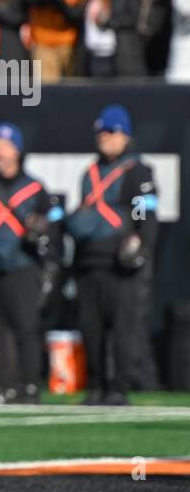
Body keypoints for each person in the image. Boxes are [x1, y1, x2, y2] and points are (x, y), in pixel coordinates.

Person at [0, 123, 62, 403]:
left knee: (26, 327)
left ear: (17, 151)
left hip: (22, 264)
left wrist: (42, 234)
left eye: (4, 145)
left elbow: (54, 221)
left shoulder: (33, 188)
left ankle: (28, 384)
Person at [64, 105, 159, 405]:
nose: (104, 137)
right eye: (100, 132)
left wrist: (141, 244)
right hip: (91, 262)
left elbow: (145, 213)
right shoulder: (89, 173)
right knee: (91, 328)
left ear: (124, 135)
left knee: (123, 329)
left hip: (121, 263)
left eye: (110, 131)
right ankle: (96, 384)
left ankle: (118, 386)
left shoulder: (138, 172)